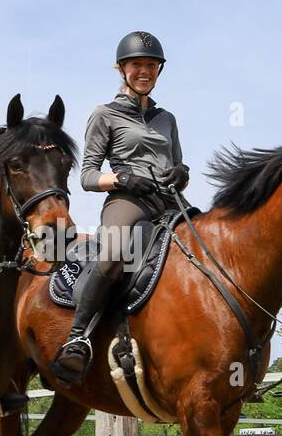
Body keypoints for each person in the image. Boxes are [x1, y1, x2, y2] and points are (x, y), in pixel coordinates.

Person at [49, 31, 189, 385]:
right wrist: (123, 179)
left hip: (168, 200)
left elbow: (176, 163)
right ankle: (78, 337)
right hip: (128, 200)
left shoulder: (167, 118)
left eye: (151, 65)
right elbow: (87, 176)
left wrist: (180, 173)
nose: (145, 71)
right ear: (122, 69)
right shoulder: (104, 114)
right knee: (113, 254)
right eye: (137, 65)